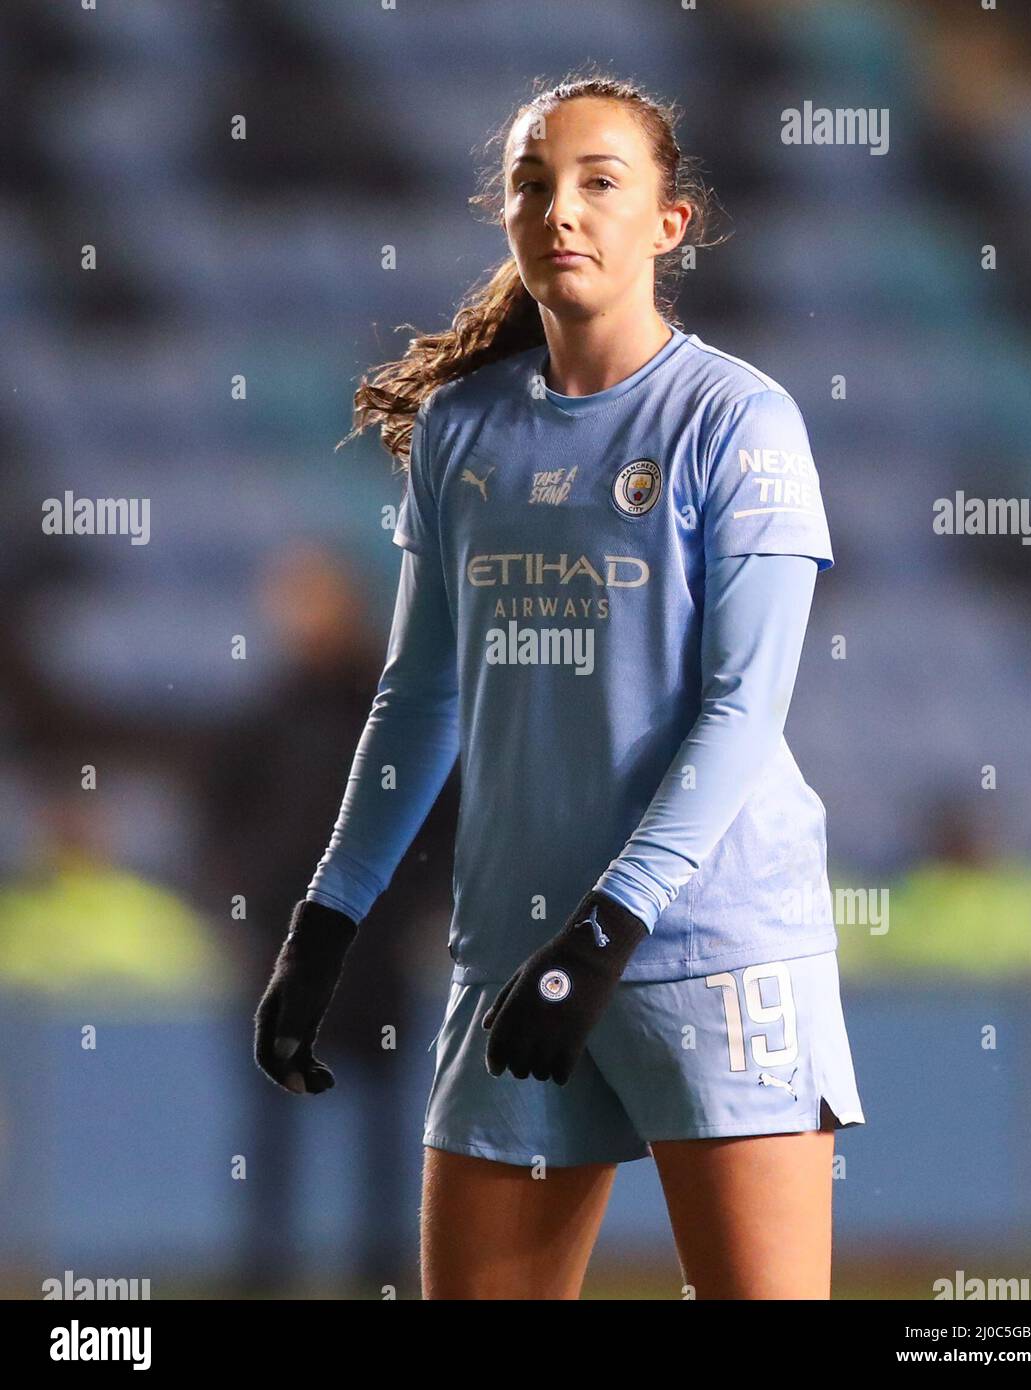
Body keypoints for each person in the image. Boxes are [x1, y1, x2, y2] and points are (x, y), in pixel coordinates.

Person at [254, 72, 865, 1301]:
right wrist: (328, 921)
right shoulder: (460, 430)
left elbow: (741, 709)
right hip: (511, 947)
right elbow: (419, 696)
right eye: (534, 185)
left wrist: (607, 927)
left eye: (599, 183)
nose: (562, 210)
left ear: (667, 223)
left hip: (707, 949)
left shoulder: (736, 421)